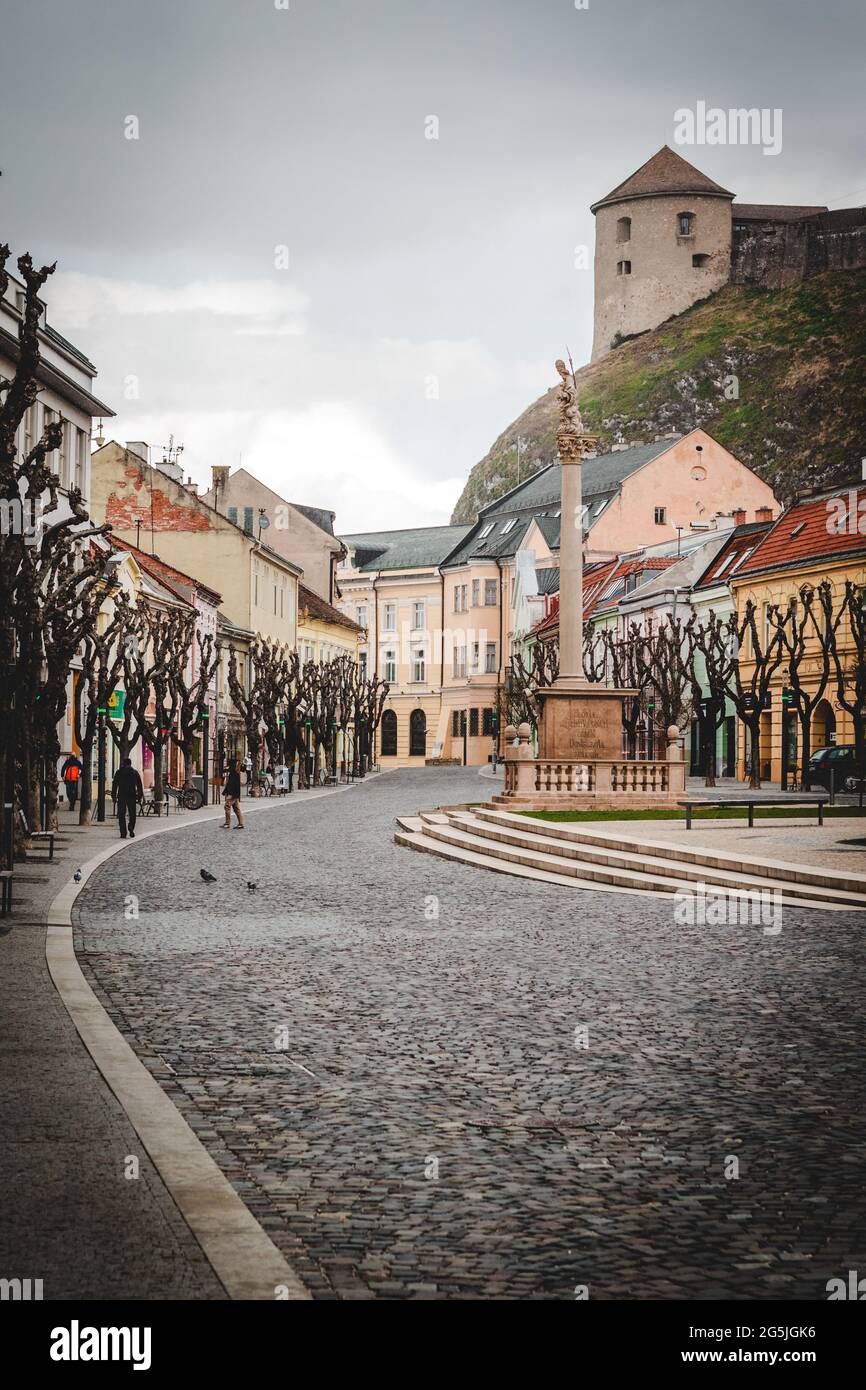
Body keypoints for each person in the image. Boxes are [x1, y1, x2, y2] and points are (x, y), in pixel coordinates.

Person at [112, 757, 143, 839]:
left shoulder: (119, 772)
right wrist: (139, 796)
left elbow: (114, 785)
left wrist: (113, 796)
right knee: (132, 814)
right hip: (131, 796)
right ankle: (131, 827)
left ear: (123, 764)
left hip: (122, 795)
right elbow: (139, 785)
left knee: (121, 815)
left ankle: (123, 832)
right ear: (130, 764)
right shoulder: (134, 772)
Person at [222, 759, 245, 829]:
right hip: (235, 793)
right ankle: (241, 823)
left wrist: (230, 794)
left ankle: (227, 823)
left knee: (227, 806)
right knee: (236, 808)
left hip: (233, 793)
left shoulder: (234, 773)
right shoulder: (235, 772)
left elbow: (232, 784)